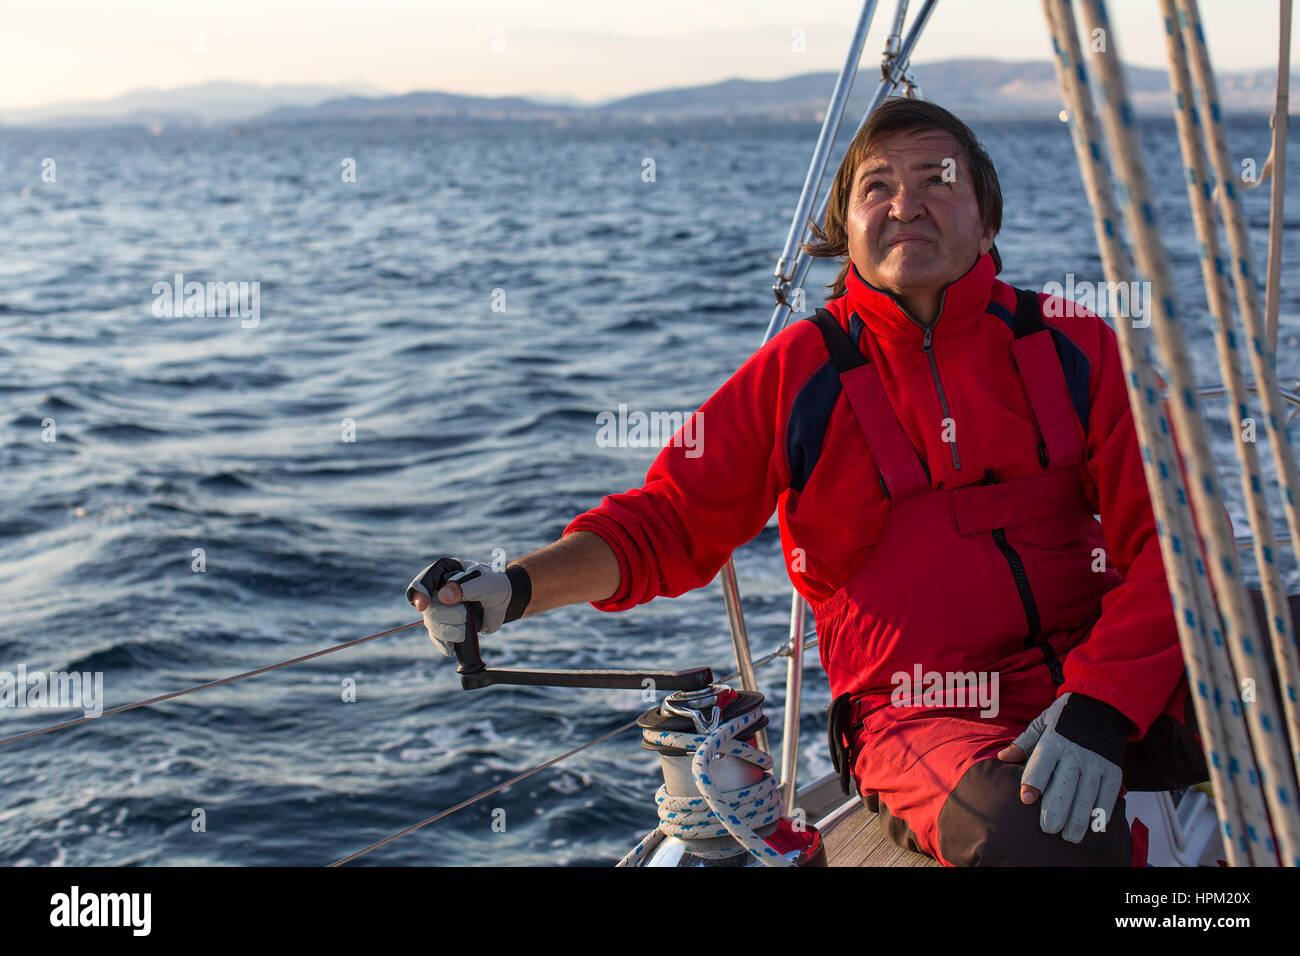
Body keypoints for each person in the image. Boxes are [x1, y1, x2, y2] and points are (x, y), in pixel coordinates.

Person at [406, 98, 1209, 866]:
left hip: (1105, 674)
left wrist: (1103, 704)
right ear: (844, 230)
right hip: (921, 713)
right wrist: (511, 589)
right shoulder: (800, 374)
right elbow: (668, 522)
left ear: (987, 216)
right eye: (877, 186)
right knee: (1046, 837)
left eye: (939, 178)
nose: (907, 204)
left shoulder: (1075, 347)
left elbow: (1176, 542)